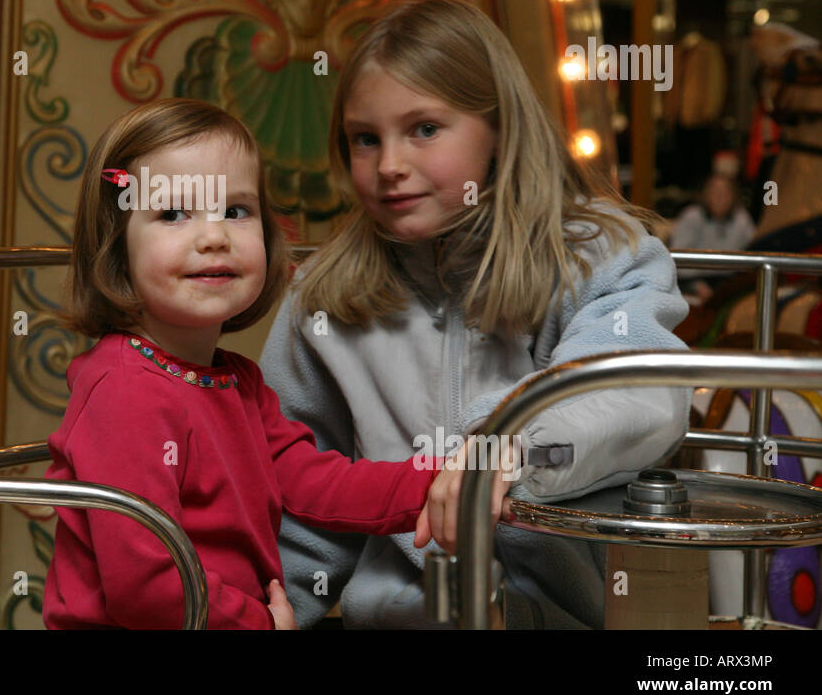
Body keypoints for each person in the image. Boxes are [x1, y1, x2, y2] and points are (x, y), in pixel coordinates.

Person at [261, 0, 693, 629]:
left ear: (498, 127)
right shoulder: (323, 299)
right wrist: (271, 611)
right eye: (364, 138)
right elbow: (303, 497)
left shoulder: (599, 256)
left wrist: (505, 445)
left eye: (425, 129)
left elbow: (633, 394)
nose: (389, 166)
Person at [42, 98, 511, 629]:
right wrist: (259, 625)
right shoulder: (126, 394)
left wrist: (434, 483)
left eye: (236, 210)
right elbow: (147, 587)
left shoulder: (235, 381)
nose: (214, 235)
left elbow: (315, 483)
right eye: (173, 213)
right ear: (115, 248)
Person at [668, 173, 756, 305]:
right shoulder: (691, 216)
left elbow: (753, 251)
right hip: (691, 281)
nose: (719, 197)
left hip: (730, 283)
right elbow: (677, 260)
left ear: (733, 196)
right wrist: (696, 285)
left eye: (725, 192)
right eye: (715, 192)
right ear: (706, 194)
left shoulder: (742, 219)